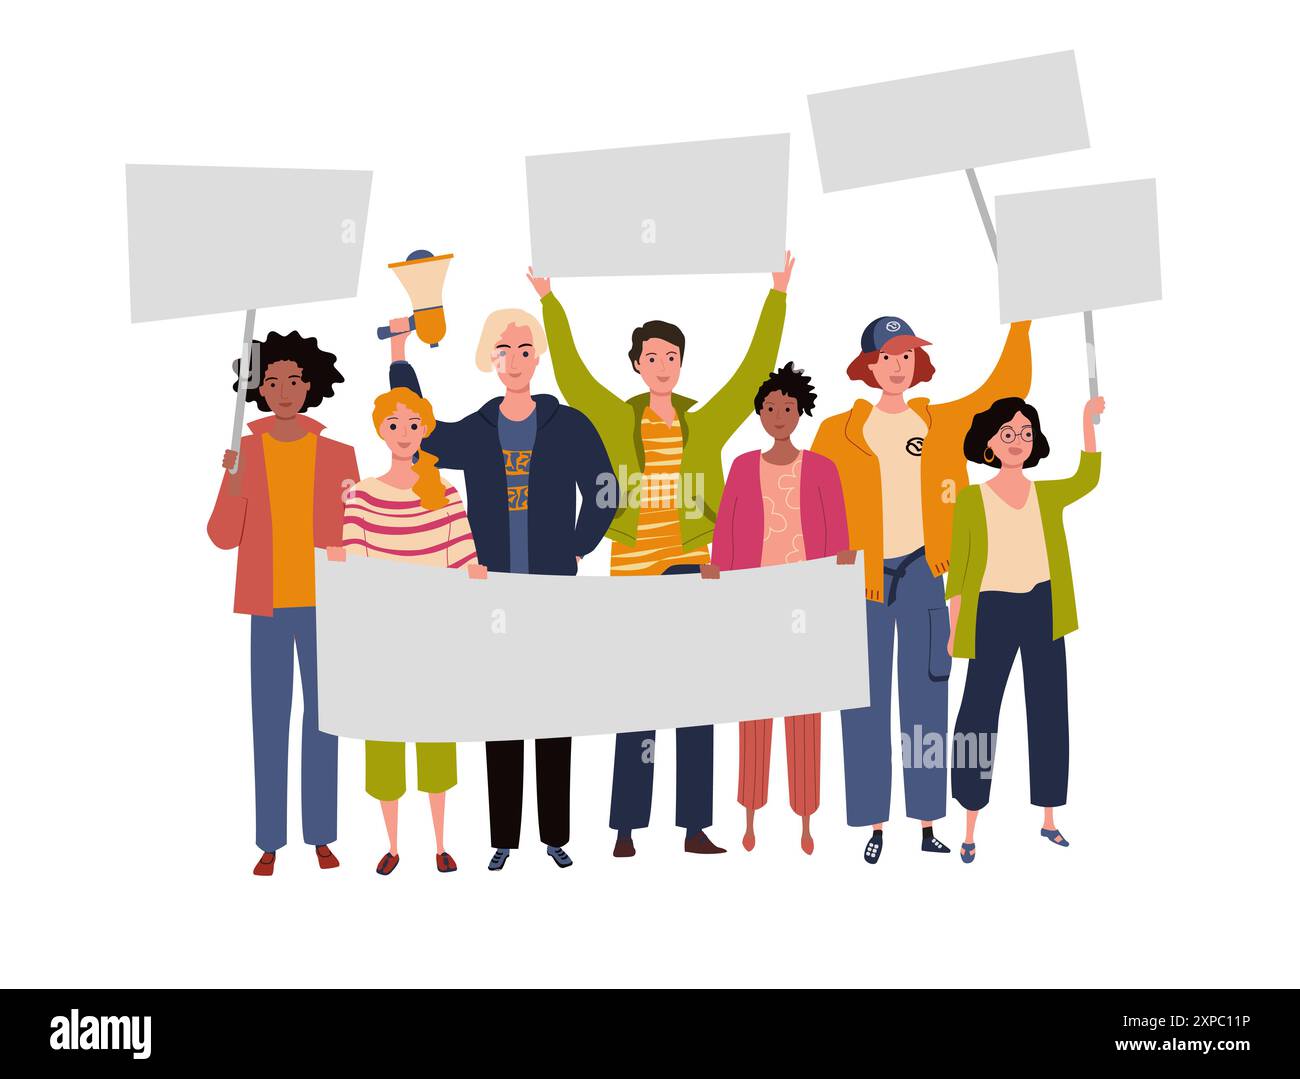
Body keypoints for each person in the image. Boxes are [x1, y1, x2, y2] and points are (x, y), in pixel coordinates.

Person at [528, 253, 795, 858]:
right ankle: (626, 824)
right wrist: (550, 300)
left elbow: (754, 369)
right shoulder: (614, 417)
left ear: (680, 364)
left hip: (691, 563)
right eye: (651, 358)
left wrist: (776, 295)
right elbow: (572, 377)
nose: (662, 366)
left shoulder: (706, 420)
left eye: (670, 358)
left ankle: (695, 824)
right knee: (638, 694)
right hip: (632, 567)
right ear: (637, 365)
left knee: (695, 694)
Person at [384, 309, 615, 871]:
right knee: (501, 713)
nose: (514, 360)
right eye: (503, 350)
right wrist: (398, 359)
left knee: (554, 712)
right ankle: (504, 837)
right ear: (491, 360)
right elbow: (422, 430)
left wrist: (578, 546)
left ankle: (555, 834)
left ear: (538, 357)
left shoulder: (572, 425)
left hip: (553, 592)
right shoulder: (477, 431)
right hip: (491, 595)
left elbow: (606, 490)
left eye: (524, 349)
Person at [812, 315, 1031, 863]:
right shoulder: (837, 431)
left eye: (906, 356)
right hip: (858, 580)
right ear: (868, 365)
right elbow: (811, 506)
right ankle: (874, 824)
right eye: (886, 357)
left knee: (927, 699)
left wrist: (1022, 323)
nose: (896, 366)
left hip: (925, 575)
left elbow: (1007, 388)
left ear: (917, 364)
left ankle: (928, 820)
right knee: (862, 704)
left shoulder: (943, 422)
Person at [208, 330, 358, 877]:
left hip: (325, 605)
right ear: (257, 390)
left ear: (312, 385)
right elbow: (223, 537)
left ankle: (321, 834)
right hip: (267, 607)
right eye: (271, 381)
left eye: (293, 380)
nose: (284, 390)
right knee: (268, 723)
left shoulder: (340, 455)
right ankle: (269, 839)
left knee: (323, 722)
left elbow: (354, 533)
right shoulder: (245, 453)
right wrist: (229, 480)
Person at [333, 387, 487, 876]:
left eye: (413, 424)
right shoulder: (360, 495)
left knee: (436, 741)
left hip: (435, 638)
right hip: (382, 641)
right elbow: (354, 560)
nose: (403, 434)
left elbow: (464, 557)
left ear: (425, 429)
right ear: (381, 430)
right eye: (394, 425)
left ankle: (441, 843)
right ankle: (393, 845)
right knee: (385, 745)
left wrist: (474, 579)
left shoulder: (444, 493)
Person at [947, 395, 1105, 863]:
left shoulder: (1047, 494)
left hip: (1044, 606)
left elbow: (1087, 478)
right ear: (990, 444)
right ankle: (970, 819)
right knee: (978, 712)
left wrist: (1088, 426)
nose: (1018, 442)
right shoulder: (973, 500)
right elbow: (959, 570)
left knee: (1050, 707)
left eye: (1026, 434)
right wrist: (957, 626)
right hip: (991, 610)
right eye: (1009, 434)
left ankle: (1049, 817)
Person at [705, 363, 852, 855]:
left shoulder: (822, 469)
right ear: (760, 414)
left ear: (800, 412)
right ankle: (749, 813)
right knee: (754, 710)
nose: (778, 416)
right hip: (754, 602)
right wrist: (719, 580)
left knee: (804, 713)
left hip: (807, 603)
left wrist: (836, 588)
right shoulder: (744, 467)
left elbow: (838, 539)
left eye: (787, 408)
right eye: (770, 409)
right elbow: (724, 531)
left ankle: (807, 817)